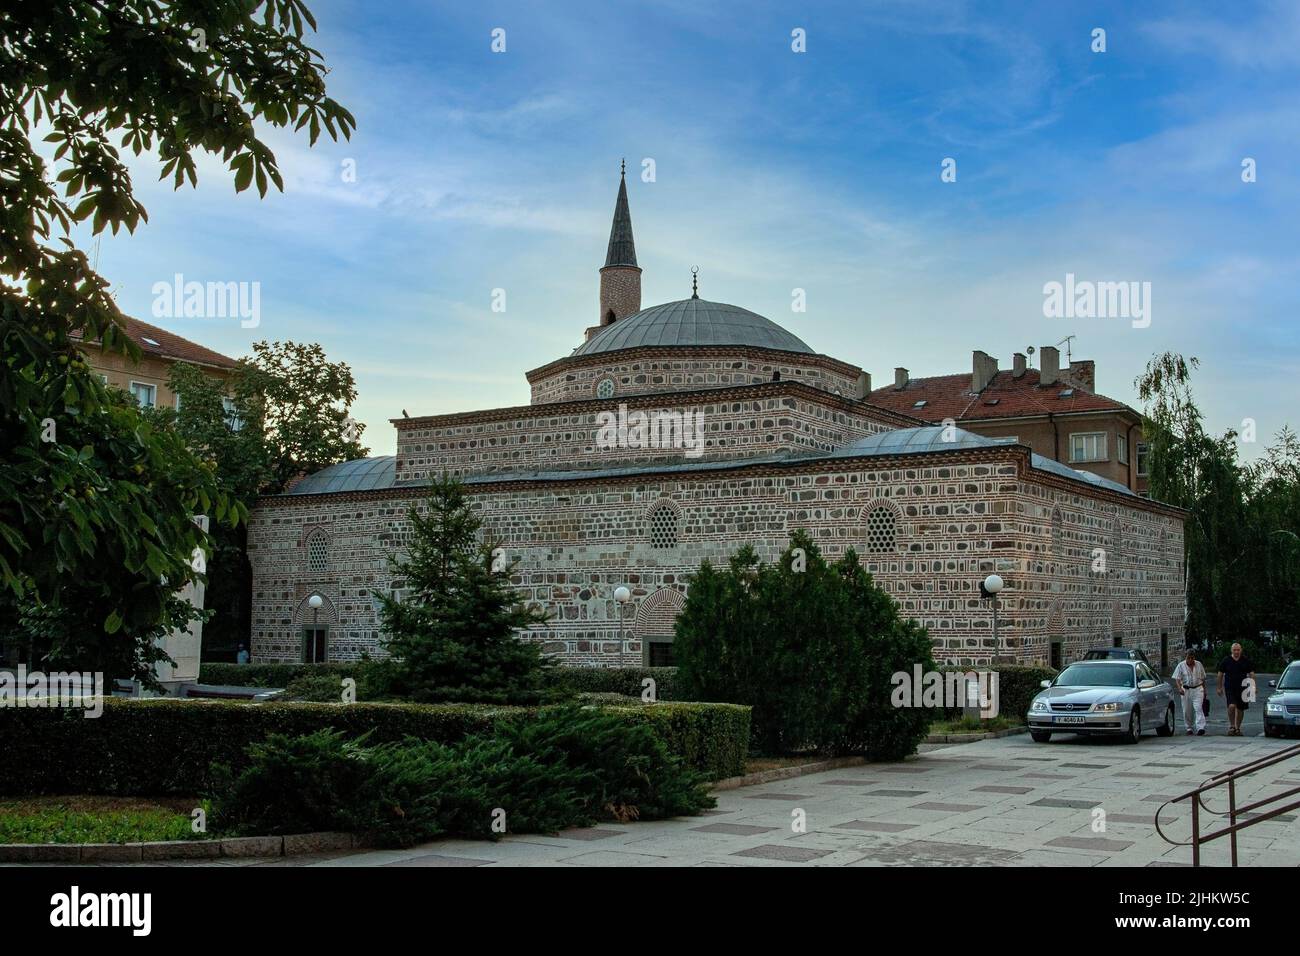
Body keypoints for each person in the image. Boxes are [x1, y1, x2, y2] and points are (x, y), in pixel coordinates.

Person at [1216, 642, 1256, 737]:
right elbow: (1220, 674)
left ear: (1241, 650)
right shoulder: (1226, 660)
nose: (1236, 652)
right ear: (1231, 650)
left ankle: (1238, 728)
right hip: (1230, 687)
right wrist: (1219, 687)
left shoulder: (1245, 660)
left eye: (1238, 650)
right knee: (1232, 706)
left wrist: (1253, 687)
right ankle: (1232, 726)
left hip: (1243, 688)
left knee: (1241, 709)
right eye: (1234, 650)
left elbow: (1252, 673)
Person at [1172, 647, 1207, 736]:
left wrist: (1204, 690)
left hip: (1198, 689)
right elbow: (1177, 679)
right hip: (1186, 689)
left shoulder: (1199, 664)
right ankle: (1189, 727)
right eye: (1189, 658)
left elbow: (1203, 678)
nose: (1190, 660)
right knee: (1187, 710)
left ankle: (1200, 727)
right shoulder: (1181, 665)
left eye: (1192, 658)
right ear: (1185, 657)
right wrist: (1179, 688)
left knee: (1198, 708)